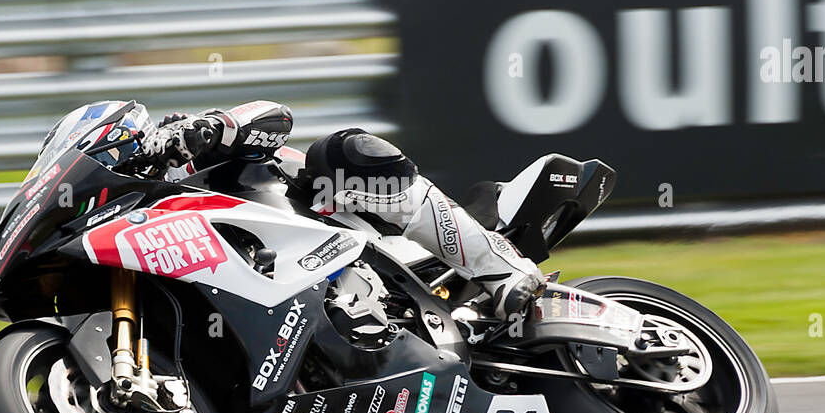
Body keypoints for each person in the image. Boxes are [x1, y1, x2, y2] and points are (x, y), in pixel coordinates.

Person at [103, 99, 546, 320]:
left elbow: (275, 116)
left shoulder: (191, 148)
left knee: (342, 151)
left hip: (350, 231)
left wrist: (209, 129)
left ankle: (500, 268)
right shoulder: (139, 233)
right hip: (283, 294)